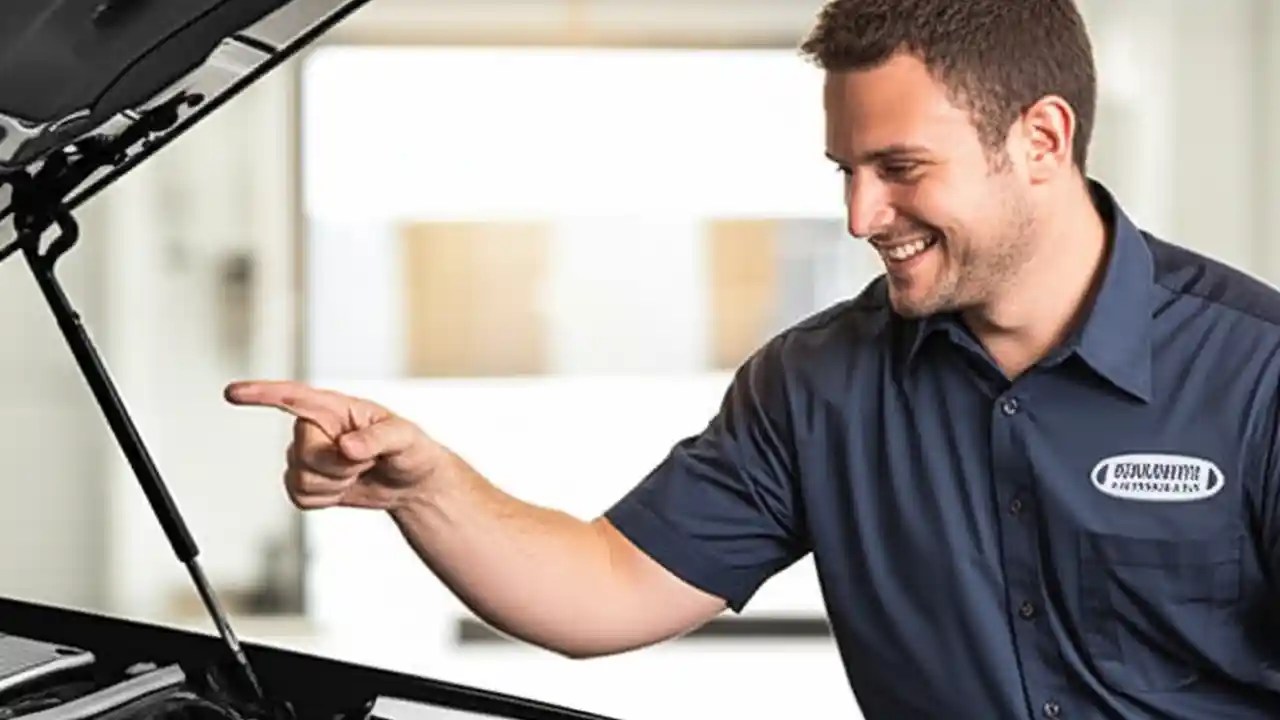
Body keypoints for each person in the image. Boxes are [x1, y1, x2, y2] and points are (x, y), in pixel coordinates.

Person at [225, 0, 1280, 717]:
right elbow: (606, 588)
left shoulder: (1256, 377)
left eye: (900, 167)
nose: (861, 214)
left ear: (1041, 140)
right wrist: (427, 487)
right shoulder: (816, 384)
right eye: (846, 168)